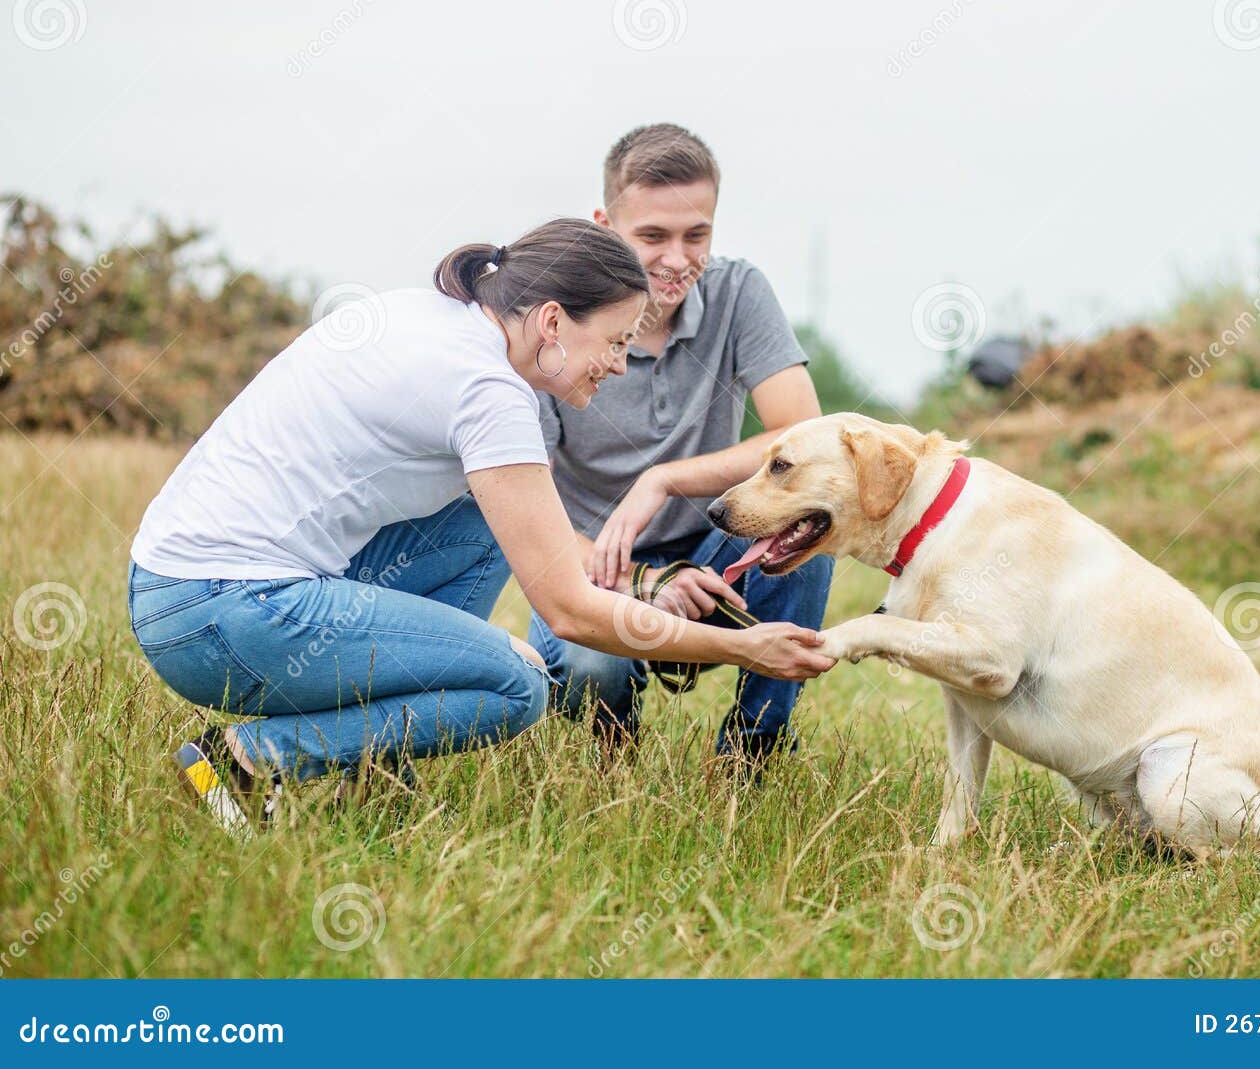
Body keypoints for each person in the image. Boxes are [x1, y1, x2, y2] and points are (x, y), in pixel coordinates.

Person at [128, 217, 833, 833]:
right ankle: (247, 762)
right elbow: (570, 611)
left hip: (180, 592)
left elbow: (538, 540)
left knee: (481, 521)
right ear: (552, 322)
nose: (619, 365)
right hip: (226, 615)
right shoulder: (488, 391)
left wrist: (640, 582)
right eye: (615, 341)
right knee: (515, 686)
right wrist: (745, 649)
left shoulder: (435, 318)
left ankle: (374, 772)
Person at [529, 124, 832, 766]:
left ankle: (751, 753)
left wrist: (664, 479)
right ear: (605, 226)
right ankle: (612, 765)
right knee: (591, 667)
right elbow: (533, 518)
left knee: (806, 527)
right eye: (652, 237)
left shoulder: (738, 291)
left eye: (696, 236)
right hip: (596, 570)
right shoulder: (555, 323)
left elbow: (803, 437)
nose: (677, 259)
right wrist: (642, 579)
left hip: (716, 549)